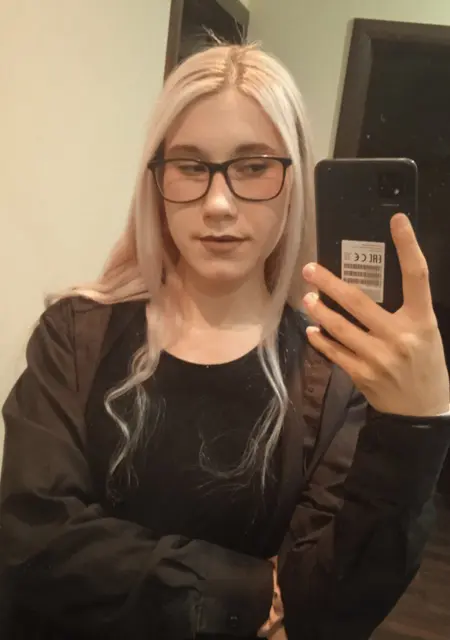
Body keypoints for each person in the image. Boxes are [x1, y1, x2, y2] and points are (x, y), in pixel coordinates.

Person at [1, 42, 449, 640]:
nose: (217, 204)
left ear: (294, 183)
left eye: (254, 167)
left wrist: (416, 424)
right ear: (157, 181)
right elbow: (32, 538)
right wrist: (242, 593)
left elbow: (330, 606)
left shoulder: (334, 376)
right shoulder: (76, 335)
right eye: (190, 166)